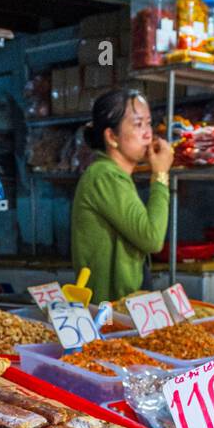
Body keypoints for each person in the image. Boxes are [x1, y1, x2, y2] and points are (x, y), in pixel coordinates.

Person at [71, 88, 174, 305]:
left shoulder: (115, 175)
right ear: (112, 137)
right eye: (138, 125)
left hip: (121, 308)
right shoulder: (104, 175)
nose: (148, 134)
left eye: (148, 123)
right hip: (109, 313)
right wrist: (161, 174)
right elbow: (152, 239)